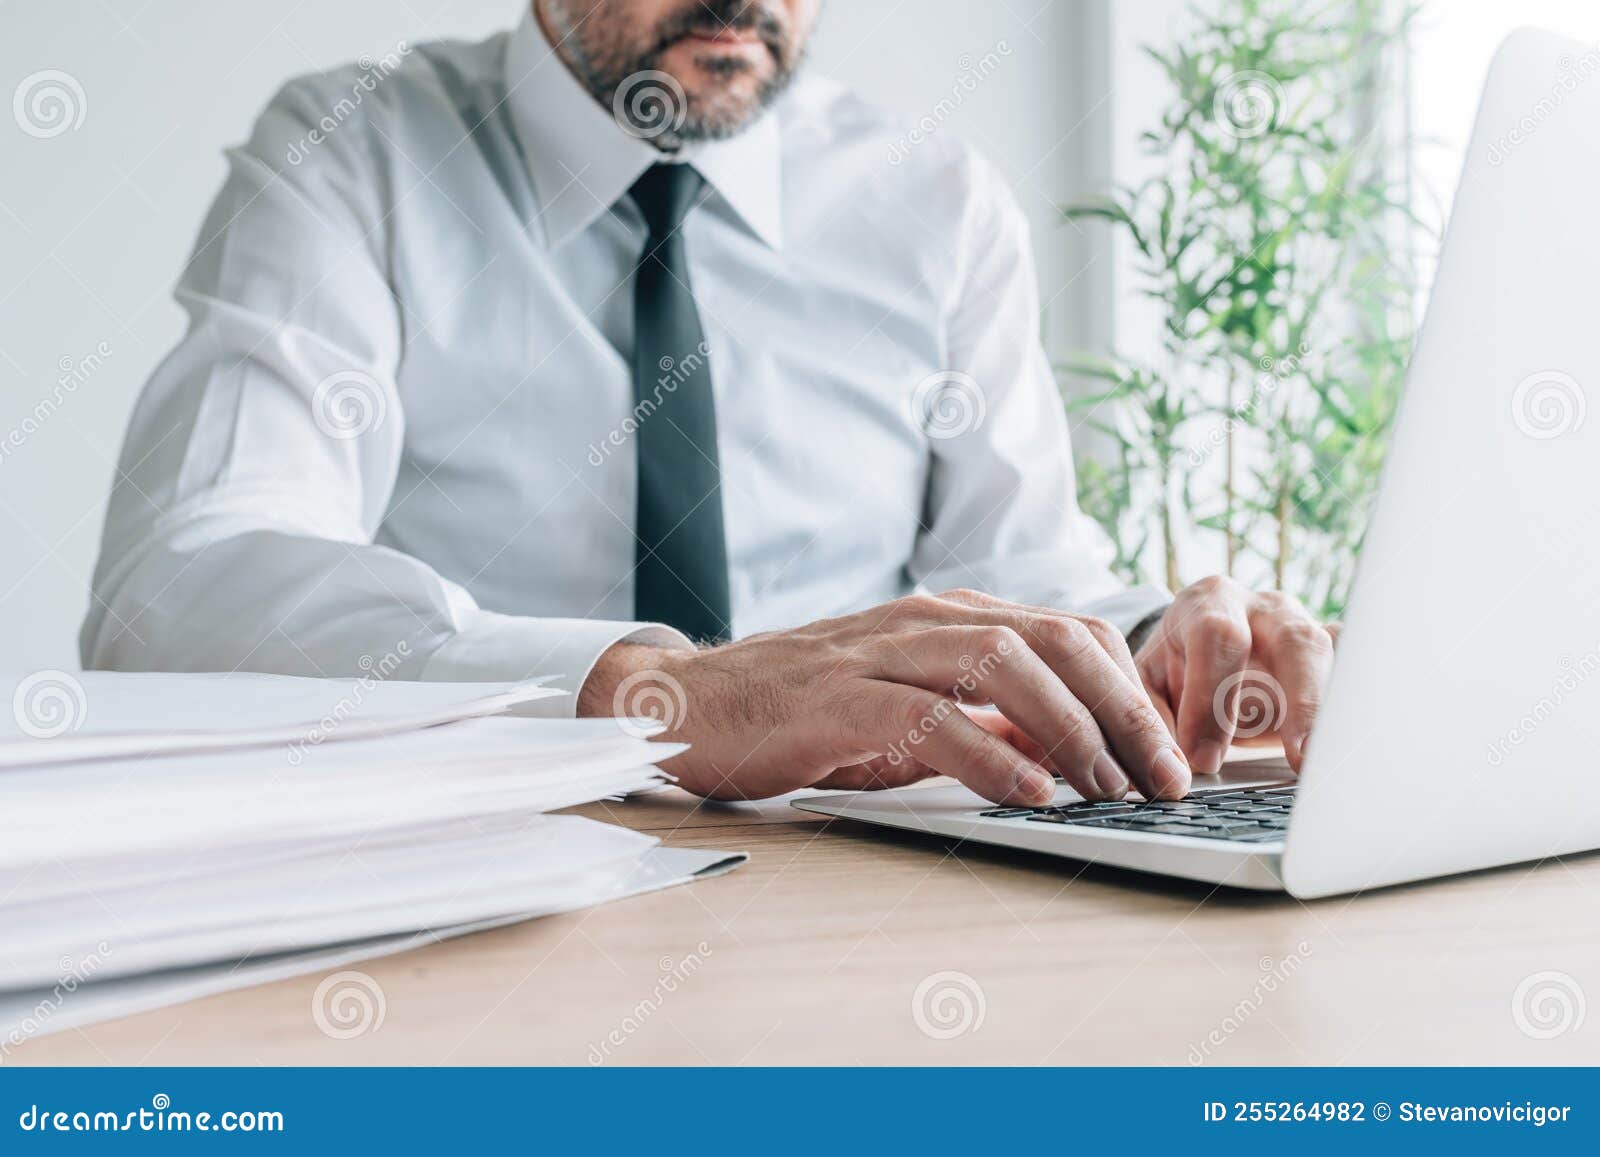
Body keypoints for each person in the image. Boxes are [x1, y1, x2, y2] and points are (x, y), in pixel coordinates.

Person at [83, 0, 1336, 808]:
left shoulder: (938, 202)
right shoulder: (355, 154)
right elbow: (178, 593)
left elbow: (1017, 581)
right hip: (496, 893)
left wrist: (1150, 641)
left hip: (871, 898)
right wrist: (661, 700)